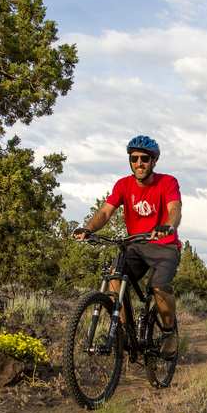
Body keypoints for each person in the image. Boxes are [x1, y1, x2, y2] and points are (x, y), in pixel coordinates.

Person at [73, 135, 182, 358]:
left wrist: (168, 226)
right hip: (136, 246)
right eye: (134, 159)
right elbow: (104, 212)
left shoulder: (168, 182)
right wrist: (89, 229)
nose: (139, 163)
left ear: (154, 161)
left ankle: (169, 333)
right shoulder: (123, 185)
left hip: (165, 246)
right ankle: (121, 330)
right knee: (114, 277)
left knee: (159, 287)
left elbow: (174, 210)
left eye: (144, 158)